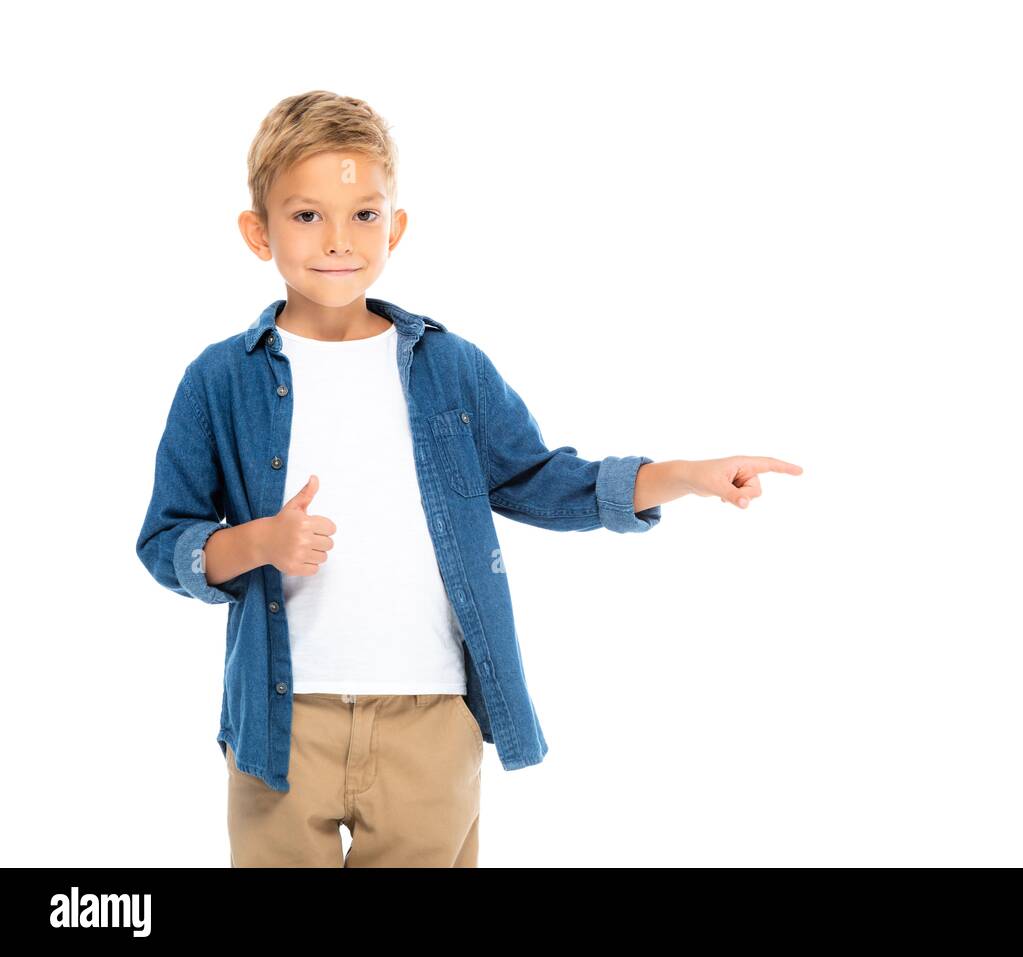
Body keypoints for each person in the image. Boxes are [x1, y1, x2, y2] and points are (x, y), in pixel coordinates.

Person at [135, 89, 803, 867]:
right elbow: (166, 539)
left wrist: (684, 475)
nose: (339, 239)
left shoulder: (449, 368)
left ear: (397, 226)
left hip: (431, 719)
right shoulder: (219, 380)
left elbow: (544, 480)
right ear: (258, 232)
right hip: (279, 727)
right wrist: (260, 541)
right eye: (307, 215)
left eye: (364, 214)